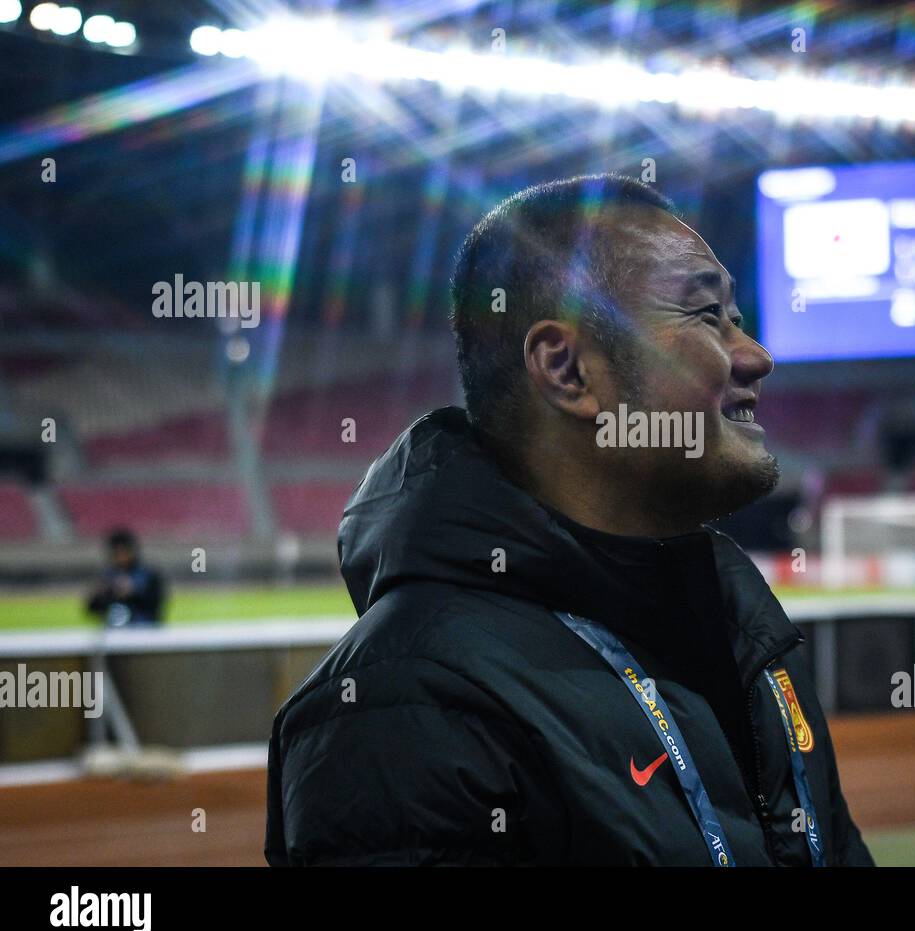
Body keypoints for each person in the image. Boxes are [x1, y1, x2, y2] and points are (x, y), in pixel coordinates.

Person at [265, 174, 874, 866]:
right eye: (708, 315)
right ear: (568, 370)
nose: (756, 356)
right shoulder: (401, 705)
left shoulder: (747, 632)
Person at [85, 528, 166, 627]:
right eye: (117, 552)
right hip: (114, 631)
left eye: (123, 551)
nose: (120, 556)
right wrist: (101, 595)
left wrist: (133, 593)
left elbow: (157, 605)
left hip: (143, 630)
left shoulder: (149, 574)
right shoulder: (107, 576)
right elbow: (92, 609)